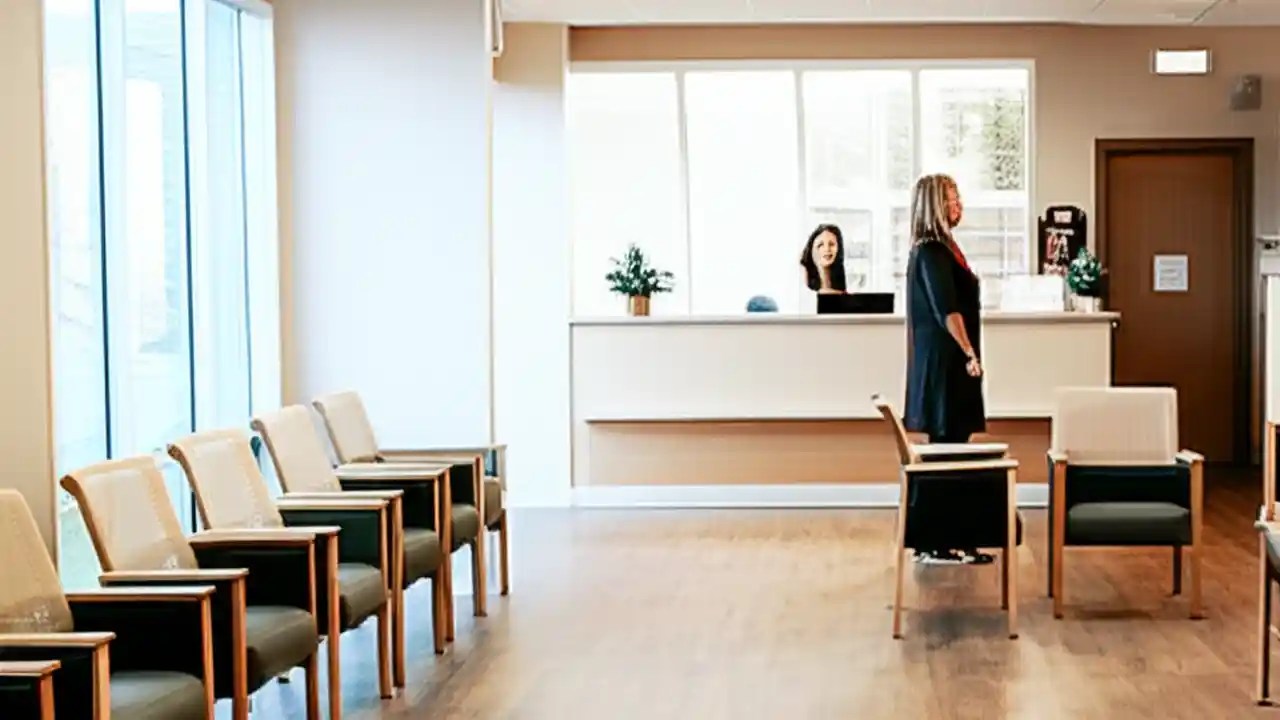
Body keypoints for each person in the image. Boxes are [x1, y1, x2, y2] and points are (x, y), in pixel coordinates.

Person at [903, 173, 989, 565]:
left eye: (958, 197)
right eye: (951, 199)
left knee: (952, 450)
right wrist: (970, 352)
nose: (959, 205)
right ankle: (934, 542)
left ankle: (951, 539)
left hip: (949, 365)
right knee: (945, 452)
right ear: (936, 205)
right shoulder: (932, 251)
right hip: (945, 368)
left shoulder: (943, 249)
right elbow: (948, 311)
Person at [799, 224, 848, 297]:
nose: (827, 249)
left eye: (831, 244)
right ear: (811, 250)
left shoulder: (842, 289)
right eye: (820, 245)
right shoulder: (804, 288)